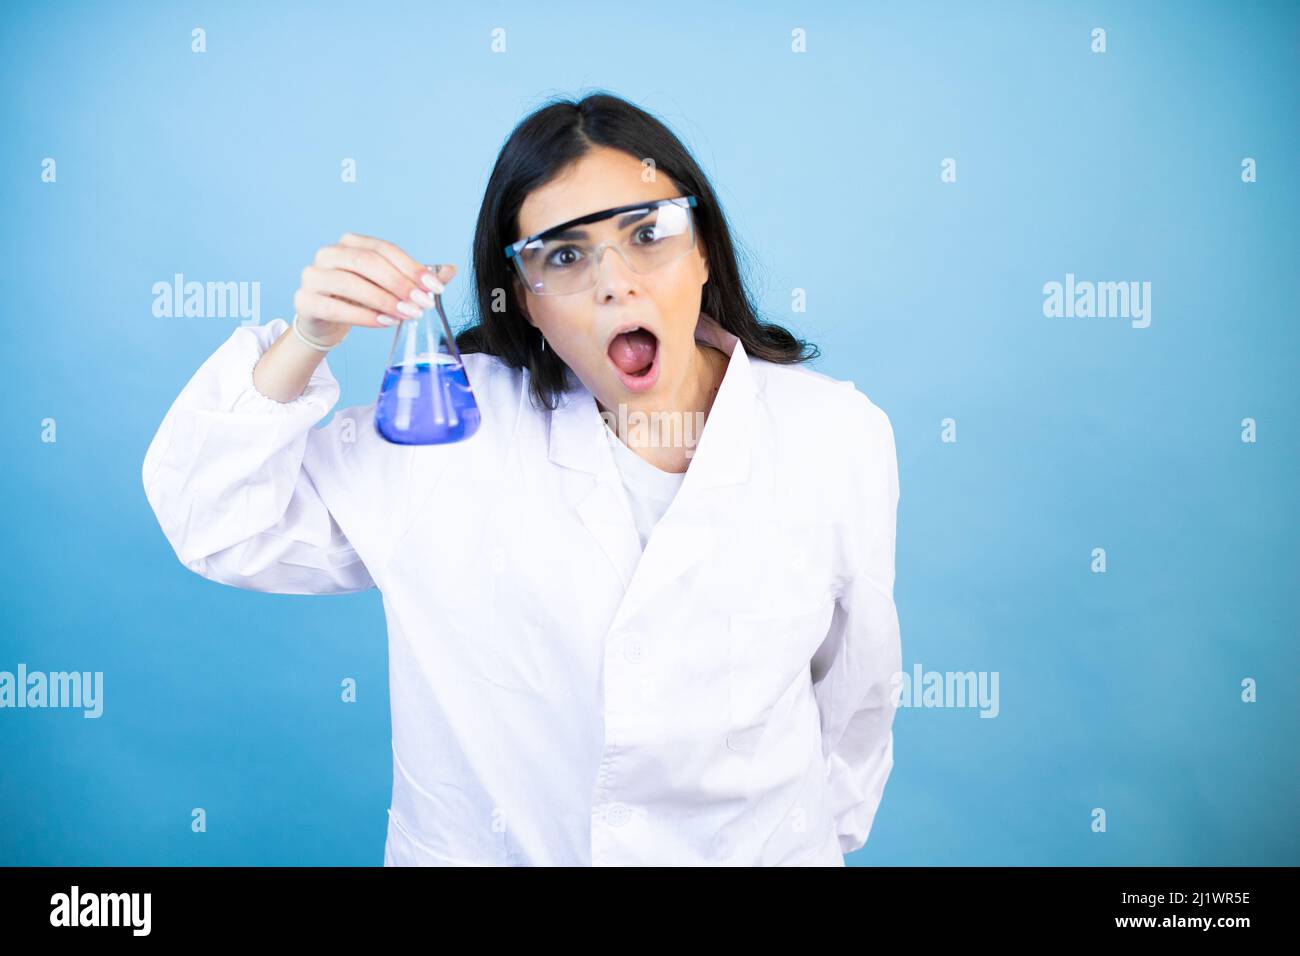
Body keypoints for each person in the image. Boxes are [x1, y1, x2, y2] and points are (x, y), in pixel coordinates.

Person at [141, 92, 902, 866]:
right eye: (564, 256)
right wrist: (308, 338)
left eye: (648, 234)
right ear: (526, 301)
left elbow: (855, 704)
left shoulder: (834, 436)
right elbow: (218, 523)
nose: (615, 283)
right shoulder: (452, 432)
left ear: (703, 250)